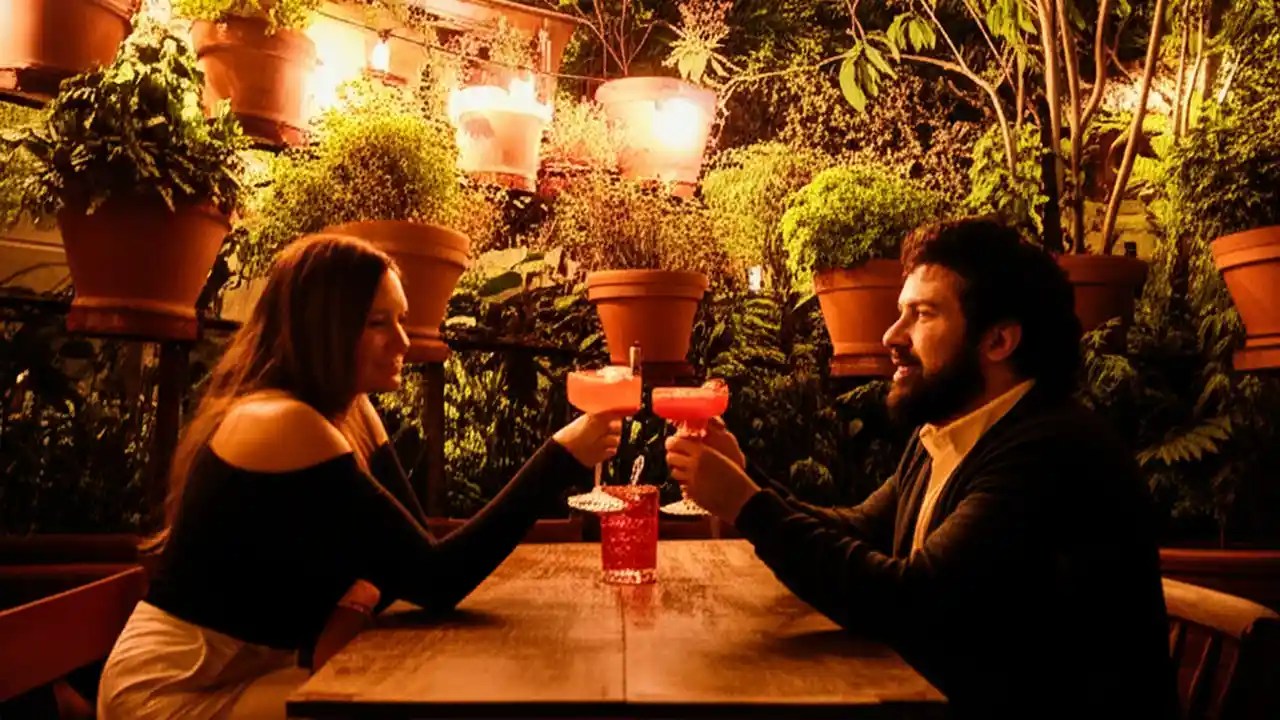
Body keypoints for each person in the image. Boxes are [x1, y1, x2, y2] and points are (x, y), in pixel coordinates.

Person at [666, 218, 1177, 717]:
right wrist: (746, 476)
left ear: (998, 341)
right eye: (900, 312)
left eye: (923, 315)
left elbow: (911, 603)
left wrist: (747, 505)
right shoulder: (952, 430)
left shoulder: (1050, 453)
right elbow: (864, 530)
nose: (892, 334)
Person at [99, 234, 622, 719]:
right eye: (377, 323)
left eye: (400, 319)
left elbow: (414, 552)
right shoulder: (282, 421)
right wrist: (559, 455)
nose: (402, 341)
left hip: (251, 667)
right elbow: (437, 579)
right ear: (322, 327)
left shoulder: (347, 411)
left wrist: (358, 601)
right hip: (175, 688)